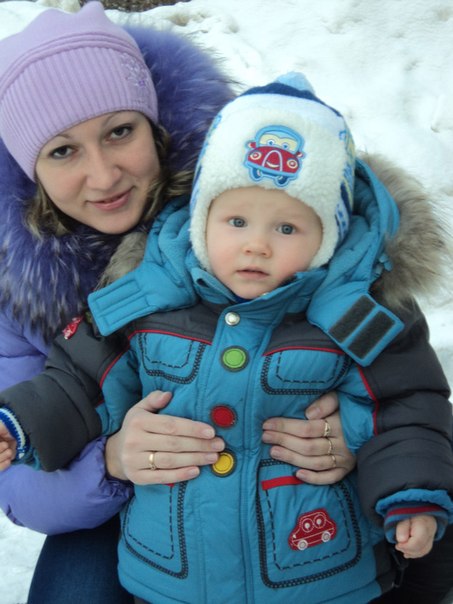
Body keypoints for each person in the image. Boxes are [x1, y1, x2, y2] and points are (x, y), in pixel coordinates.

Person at [1, 73, 452, 603]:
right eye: (236, 221)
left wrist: (405, 489)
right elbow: (78, 381)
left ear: (328, 237)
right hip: (171, 573)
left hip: (314, 572)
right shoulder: (146, 296)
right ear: (202, 221)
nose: (256, 245)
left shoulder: (357, 313)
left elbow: (407, 404)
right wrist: (18, 422)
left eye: (287, 228)